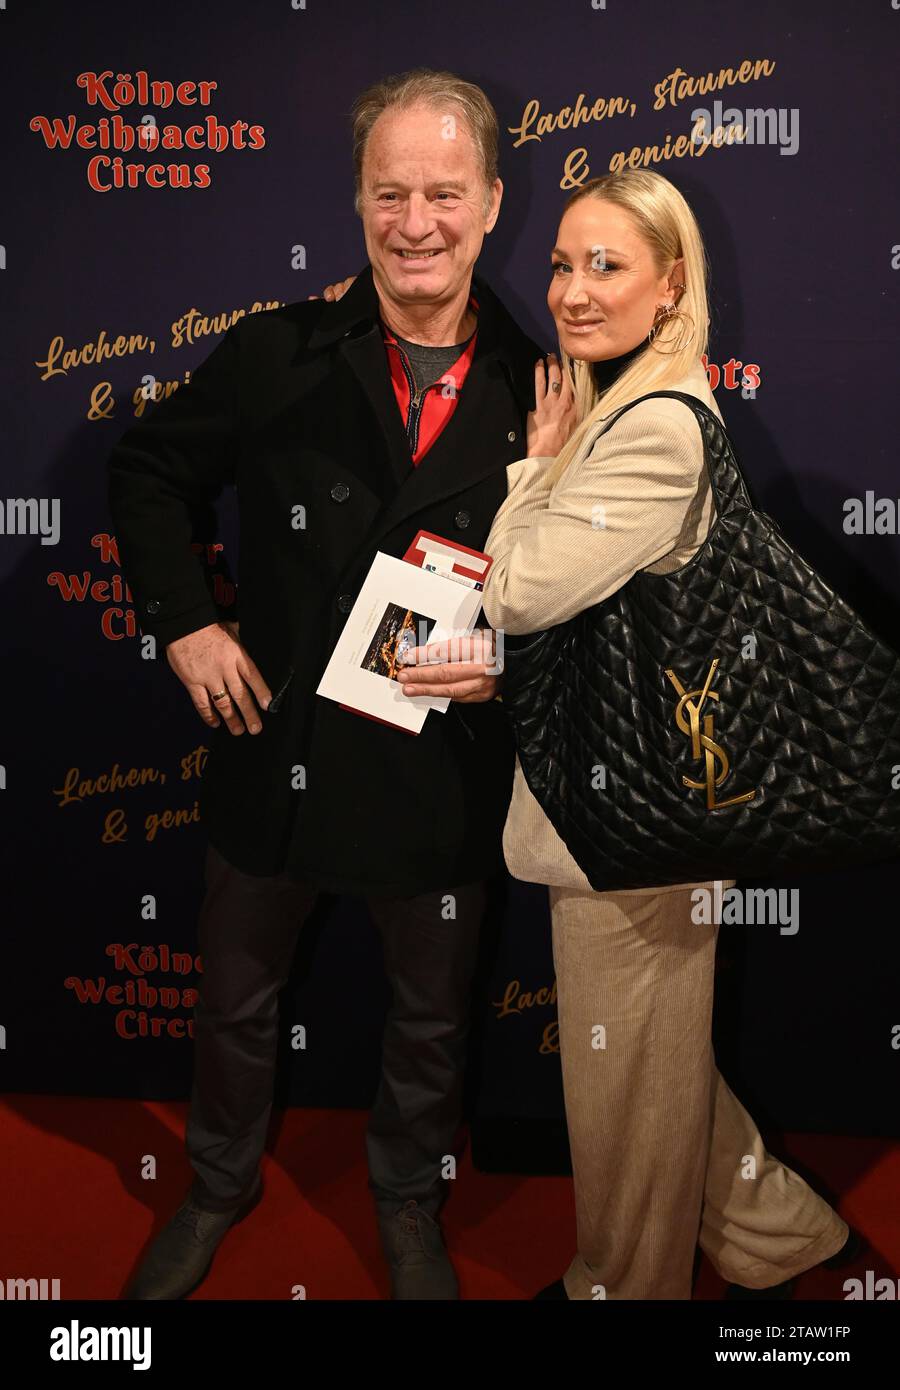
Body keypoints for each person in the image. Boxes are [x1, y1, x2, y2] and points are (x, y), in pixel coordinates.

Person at [107, 67, 544, 1301]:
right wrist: (186, 621)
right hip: (274, 755)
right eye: (390, 193)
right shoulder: (275, 351)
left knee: (428, 1024)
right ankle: (216, 1184)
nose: (417, 223)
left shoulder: (546, 387)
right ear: (356, 200)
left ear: (494, 202)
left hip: (439, 774)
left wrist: (501, 665)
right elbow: (146, 471)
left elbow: (581, 597)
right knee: (236, 1005)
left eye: (445, 193)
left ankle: (408, 1200)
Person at [470, 167, 860, 1299]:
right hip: (642, 805)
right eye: (560, 263)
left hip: (635, 823)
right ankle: (776, 1232)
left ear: (671, 281)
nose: (573, 293)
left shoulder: (653, 429)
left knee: (624, 1089)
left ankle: (623, 1285)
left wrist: (535, 468)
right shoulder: (633, 402)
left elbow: (518, 590)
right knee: (654, 1061)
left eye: (607, 266)